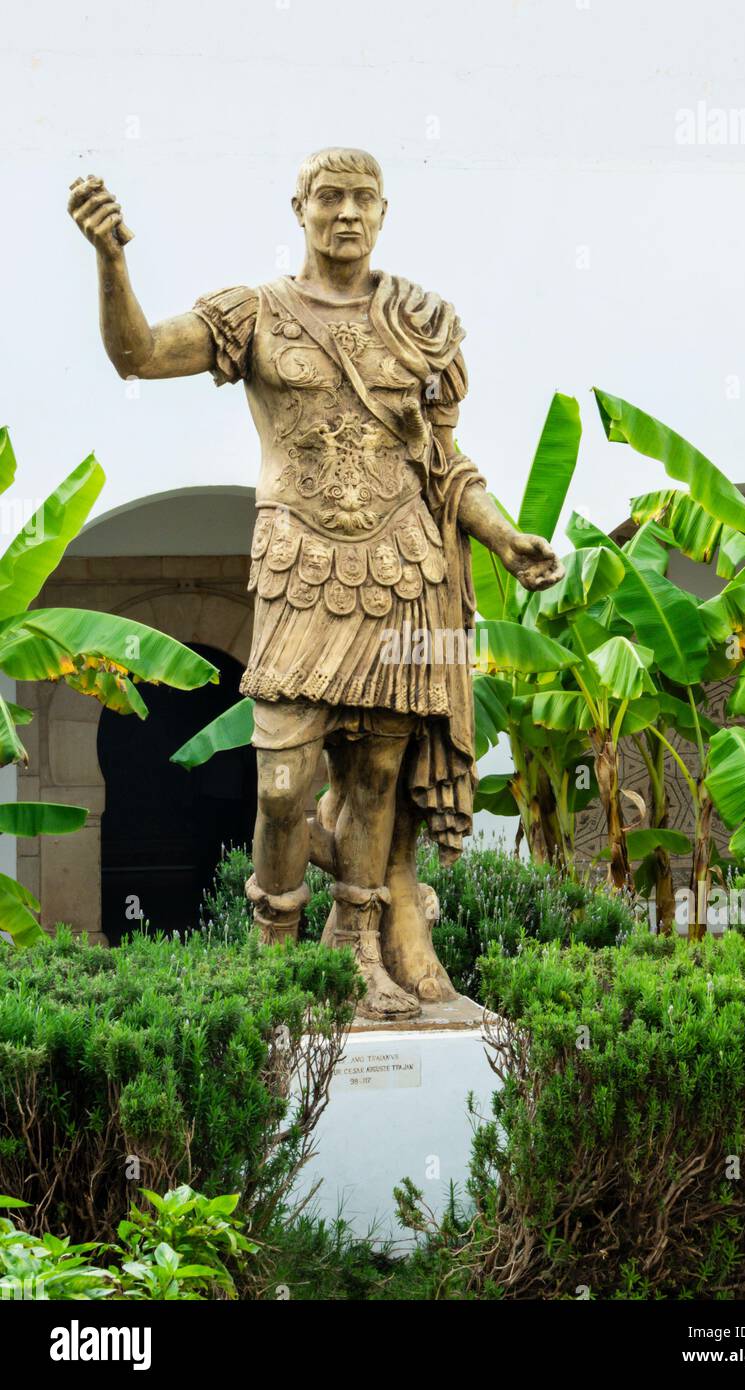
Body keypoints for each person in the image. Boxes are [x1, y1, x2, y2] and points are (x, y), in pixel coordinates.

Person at [69, 147, 563, 1018]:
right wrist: (112, 259)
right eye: (328, 197)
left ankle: (357, 948)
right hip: (301, 568)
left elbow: (442, 463)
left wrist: (501, 532)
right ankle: (274, 958)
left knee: (375, 774)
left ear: (382, 211)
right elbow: (139, 355)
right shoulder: (253, 313)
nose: (346, 213)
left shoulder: (419, 324)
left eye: (362, 199)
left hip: (403, 567)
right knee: (282, 785)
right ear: (297, 207)